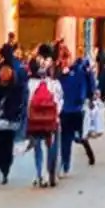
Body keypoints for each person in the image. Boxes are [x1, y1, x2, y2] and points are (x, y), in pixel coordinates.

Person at [0, 47, 26, 185]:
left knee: (2, 145)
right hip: (6, 116)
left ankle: (4, 168)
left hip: (3, 116)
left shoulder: (0, 72)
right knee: (5, 144)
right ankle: (5, 168)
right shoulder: (15, 71)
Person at [56, 45, 96, 176]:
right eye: (63, 58)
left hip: (78, 109)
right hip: (65, 110)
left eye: (67, 58)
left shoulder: (79, 70)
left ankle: (87, 147)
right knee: (66, 139)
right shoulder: (59, 74)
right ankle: (65, 165)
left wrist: (89, 98)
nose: (65, 61)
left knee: (79, 136)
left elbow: (87, 85)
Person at [25, 56, 63, 188]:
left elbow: (27, 103)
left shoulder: (30, 84)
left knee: (37, 147)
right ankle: (49, 173)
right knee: (51, 146)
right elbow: (59, 101)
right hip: (51, 121)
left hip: (34, 121)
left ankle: (38, 174)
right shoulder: (54, 84)